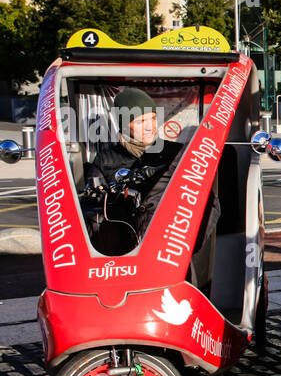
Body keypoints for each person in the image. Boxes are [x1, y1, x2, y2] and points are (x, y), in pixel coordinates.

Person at [82, 87, 218, 284]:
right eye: (140, 121)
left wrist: (184, 244)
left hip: (171, 251)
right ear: (124, 124)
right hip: (123, 257)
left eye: (153, 119)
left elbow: (204, 200)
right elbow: (92, 207)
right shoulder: (105, 160)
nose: (150, 127)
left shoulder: (176, 153)